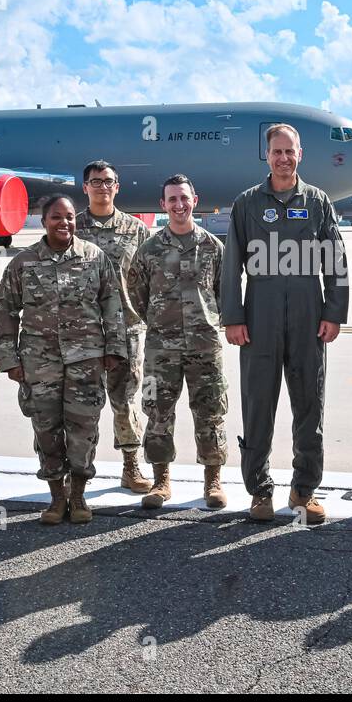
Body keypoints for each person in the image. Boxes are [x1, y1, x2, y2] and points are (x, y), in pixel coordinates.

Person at [220, 123, 348, 524]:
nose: (283, 158)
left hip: (310, 318)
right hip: (260, 318)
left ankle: (304, 489)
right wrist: (234, 317)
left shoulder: (318, 202)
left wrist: (333, 312)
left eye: (289, 151)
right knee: (258, 405)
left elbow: (337, 262)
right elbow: (231, 266)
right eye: (276, 151)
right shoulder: (247, 203)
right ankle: (259, 491)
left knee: (310, 405)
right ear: (267, 155)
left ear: (300, 154)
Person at [0, 195, 126, 525]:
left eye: (69, 217)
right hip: (39, 363)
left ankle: (79, 494)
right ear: (44, 221)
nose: (64, 223)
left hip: (86, 360)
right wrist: (9, 359)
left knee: (83, 429)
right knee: (47, 431)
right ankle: (57, 497)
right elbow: (7, 313)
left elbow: (111, 304)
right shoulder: (22, 263)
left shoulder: (93, 257)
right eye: (56, 217)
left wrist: (114, 349)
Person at [126, 175, 228, 510]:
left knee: (211, 412)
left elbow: (225, 293)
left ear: (194, 201)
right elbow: (135, 293)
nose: (179, 205)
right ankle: (161, 481)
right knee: (157, 412)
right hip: (161, 348)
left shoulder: (213, 246)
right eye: (172, 199)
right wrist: (157, 321)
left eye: (184, 198)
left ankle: (213, 480)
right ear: (163, 205)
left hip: (205, 346)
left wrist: (211, 321)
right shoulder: (149, 250)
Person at [76, 159, 154, 495]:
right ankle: (78, 470)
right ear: (85, 187)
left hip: (127, 329)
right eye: (95, 181)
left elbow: (152, 276)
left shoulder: (136, 230)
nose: (102, 187)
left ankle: (130, 465)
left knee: (126, 401)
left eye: (108, 181)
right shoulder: (72, 227)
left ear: (117, 186)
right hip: (84, 331)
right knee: (83, 403)